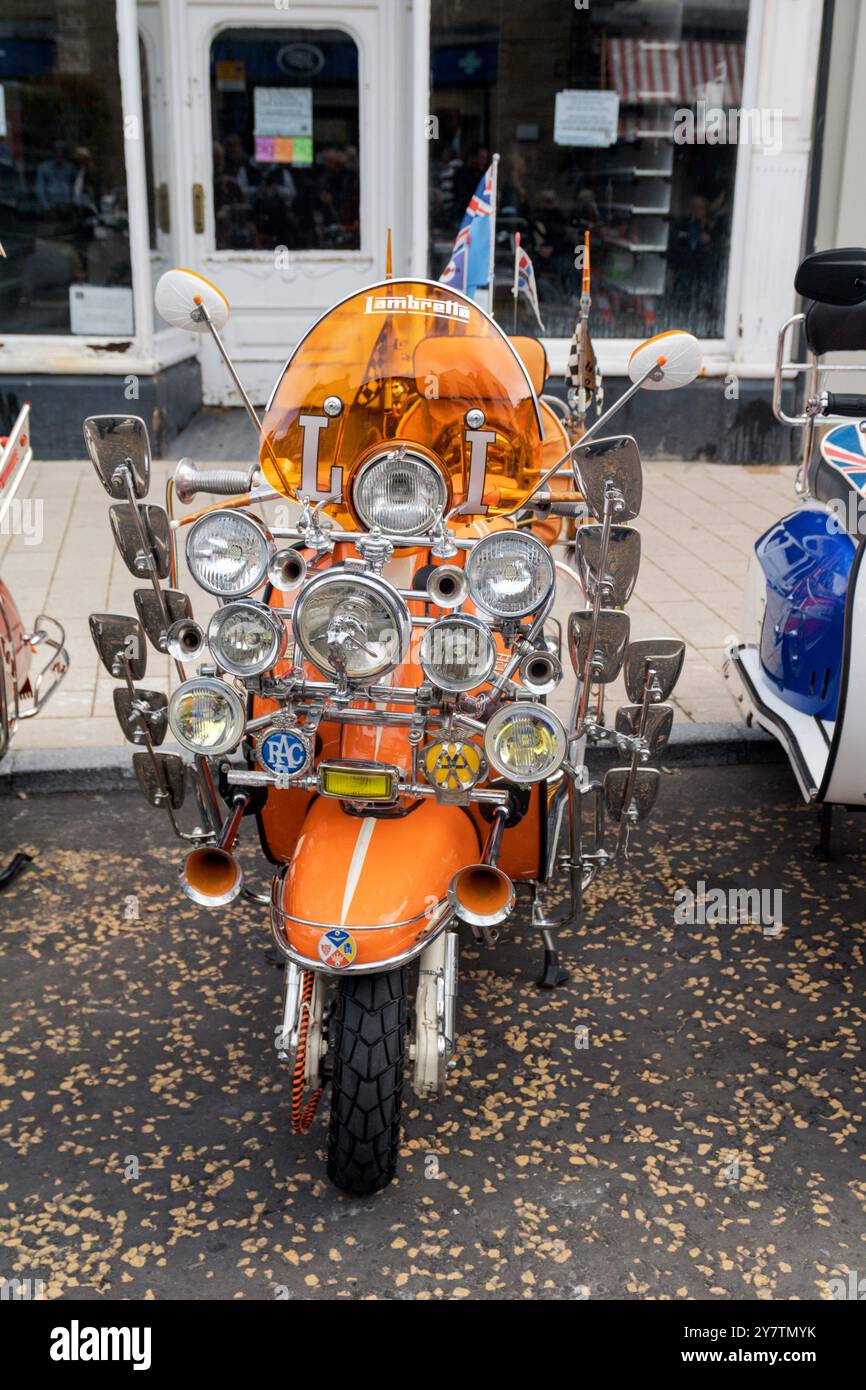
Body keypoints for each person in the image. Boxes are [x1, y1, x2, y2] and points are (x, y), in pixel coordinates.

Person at [35, 141, 74, 213]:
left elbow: (74, 187)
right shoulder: (43, 167)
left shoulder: (70, 167)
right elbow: (40, 188)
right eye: (57, 152)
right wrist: (46, 206)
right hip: (51, 204)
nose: (59, 155)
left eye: (62, 152)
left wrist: (72, 204)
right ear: (53, 153)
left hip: (67, 205)